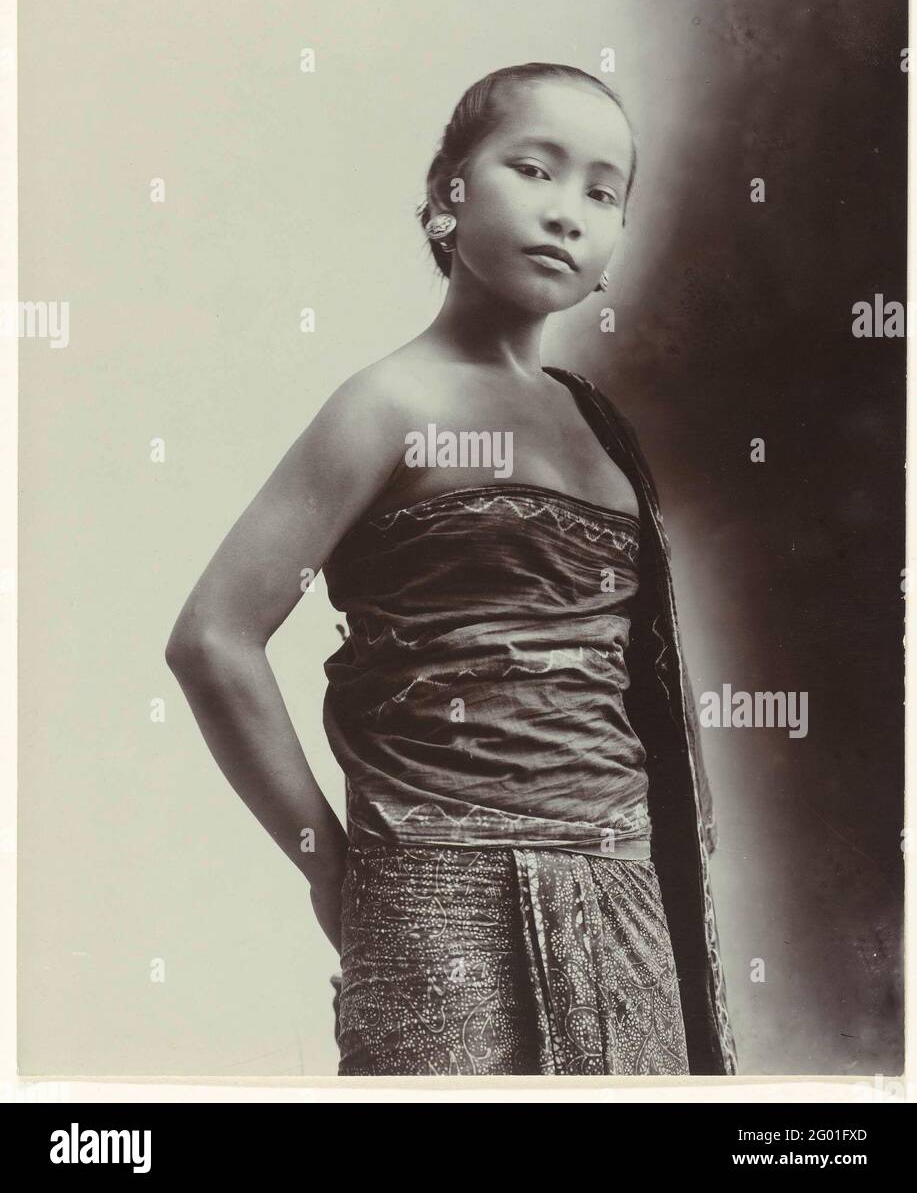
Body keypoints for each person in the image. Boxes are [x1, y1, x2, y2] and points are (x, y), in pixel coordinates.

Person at [165, 61, 739, 1077]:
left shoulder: (600, 430)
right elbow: (213, 638)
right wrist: (326, 870)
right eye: (533, 168)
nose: (568, 211)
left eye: (601, 191)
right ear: (445, 197)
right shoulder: (388, 401)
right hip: (437, 902)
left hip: (625, 908)